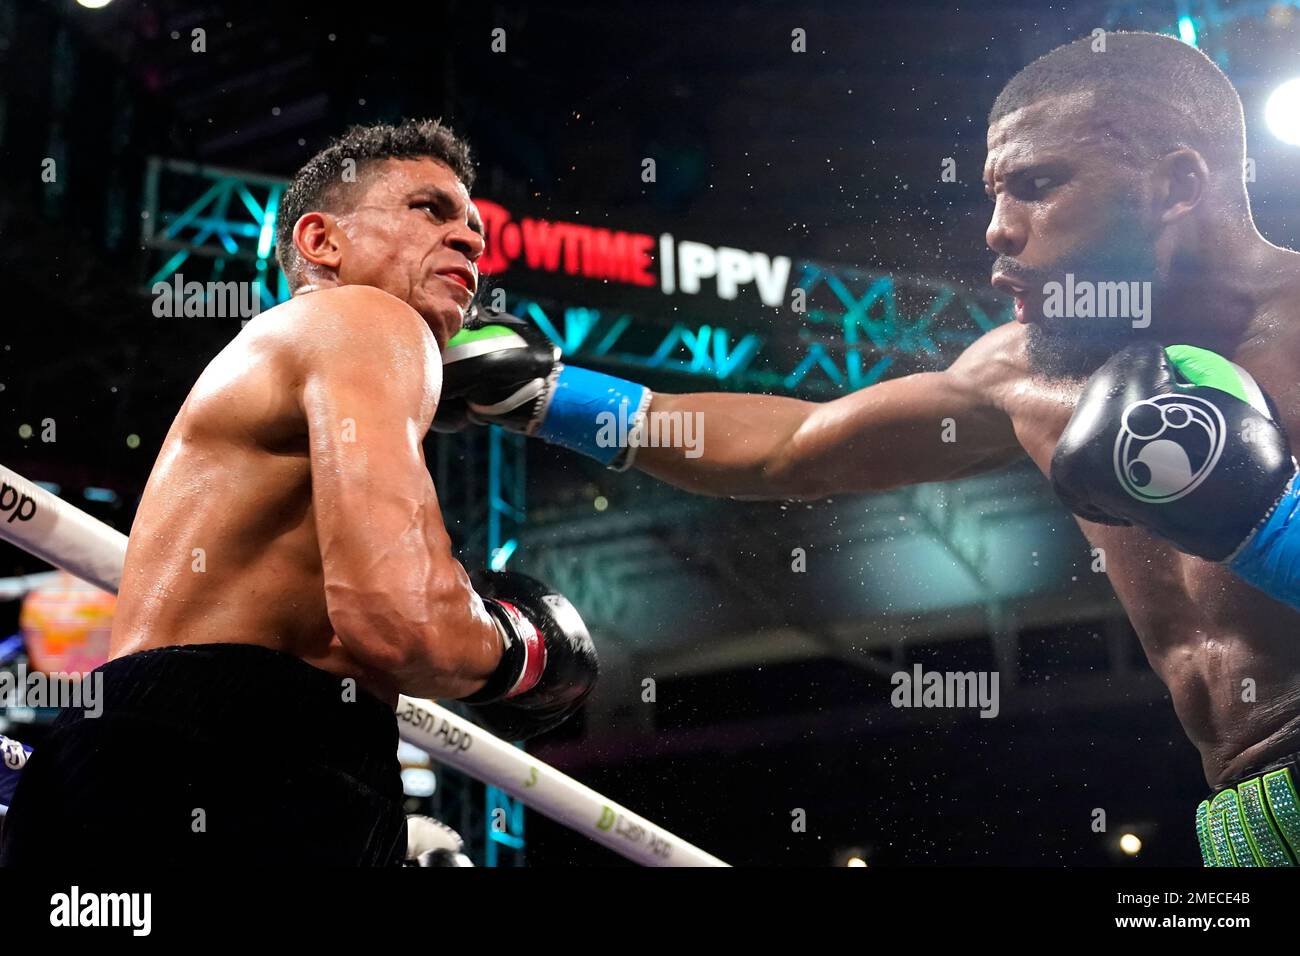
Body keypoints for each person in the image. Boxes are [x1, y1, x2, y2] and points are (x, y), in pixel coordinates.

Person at [436, 33, 1300, 865]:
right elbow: (792, 448)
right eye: (995, 192)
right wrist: (551, 398)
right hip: (1243, 808)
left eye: (1037, 184)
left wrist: (1264, 524)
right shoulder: (1021, 373)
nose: (997, 229)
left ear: (1178, 182)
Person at [0, 120, 597, 867]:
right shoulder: (369, 320)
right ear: (321, 242)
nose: (471, 240)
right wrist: (526, 648)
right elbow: (399, 621)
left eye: (474, 227)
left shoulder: (292, 356)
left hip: (147, 756)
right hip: (238, 753)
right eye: (430, 210)